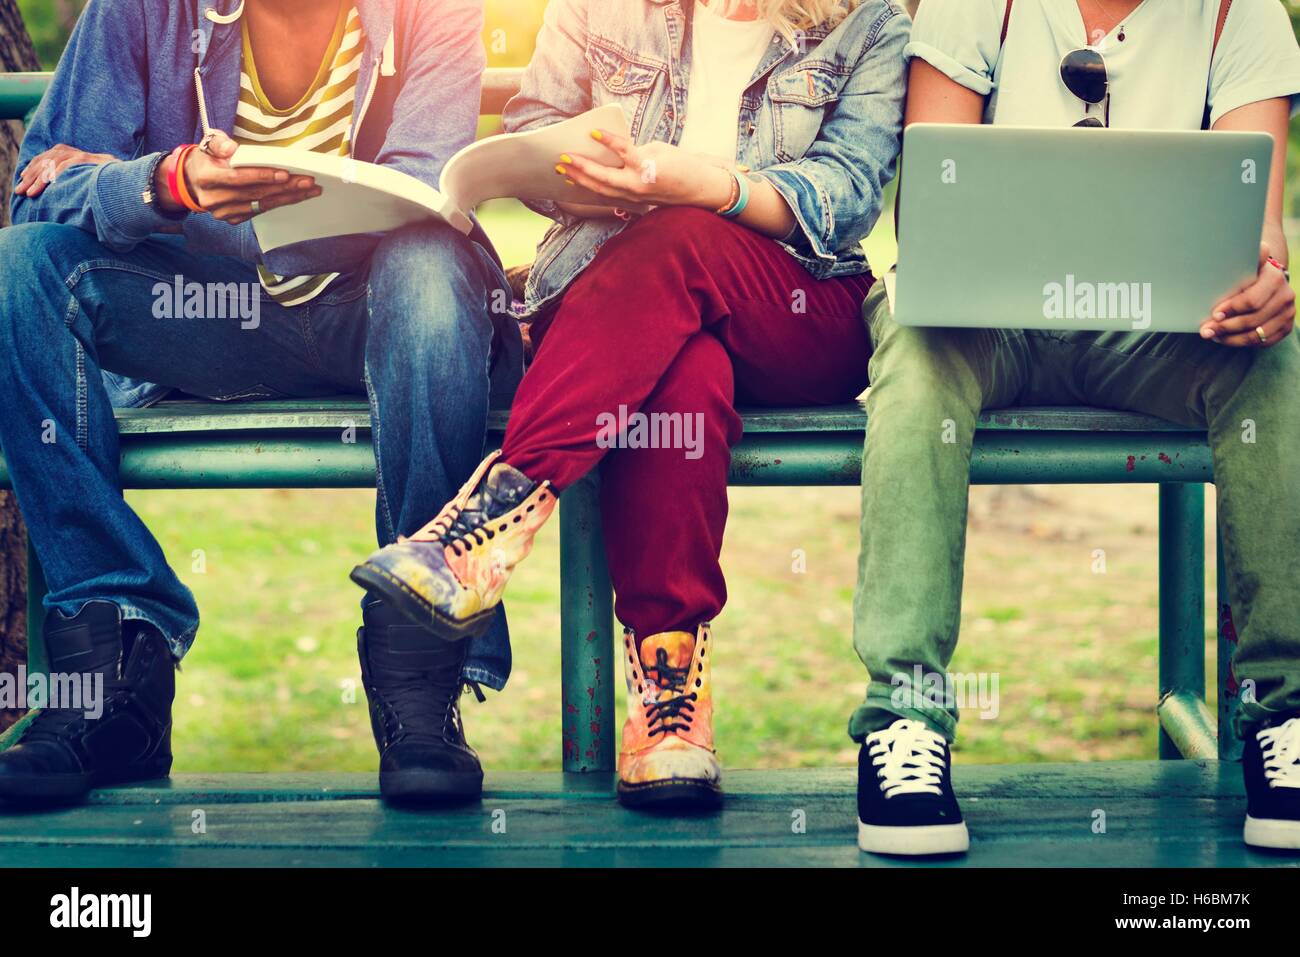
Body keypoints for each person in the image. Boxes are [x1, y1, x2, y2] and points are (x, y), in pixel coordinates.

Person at [352, 0, 909, 809]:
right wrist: (588, 185)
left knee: (683, 234)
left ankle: (494, 516)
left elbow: (846, 193)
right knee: (685, 370)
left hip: (792, 308)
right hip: (615, 316)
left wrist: (705, 188)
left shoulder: (870, 22)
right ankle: (669, 708)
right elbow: (534, 125)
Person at [0, 0, 522, 808]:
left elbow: (429, 193)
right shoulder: (141, 10)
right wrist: (167, 181)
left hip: (383, 314)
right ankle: (110, 676)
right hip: (209, 317)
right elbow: (38, 197)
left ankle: (421, 674)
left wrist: (212, 199)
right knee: (21, 267)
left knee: (427, 259)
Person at [851, 0, 1300, 856]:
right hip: (984, 322)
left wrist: (1269, 280)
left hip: (1154, 332)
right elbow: (929, 217)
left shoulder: (1241, 16)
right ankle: (904, 724)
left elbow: (1259, 237)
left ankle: (1287, 714)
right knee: (914, 345)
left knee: (1274, 360)